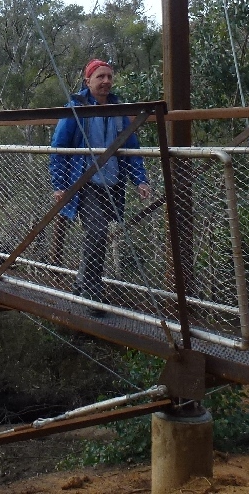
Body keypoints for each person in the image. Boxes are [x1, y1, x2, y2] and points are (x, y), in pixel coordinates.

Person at [49, 59, 150, 311]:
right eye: (100, 77)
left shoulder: (118, 110)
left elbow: (131, 146)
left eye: (109, 77)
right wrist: (59, 184)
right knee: (97, 231)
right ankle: (93, 291)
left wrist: (140, 180)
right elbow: (59, 147)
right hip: (85, 182)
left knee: (98, 234)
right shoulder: (76, 108)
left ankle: (83, 281)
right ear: (88, 82)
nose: (105, 81)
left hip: (112, 183)